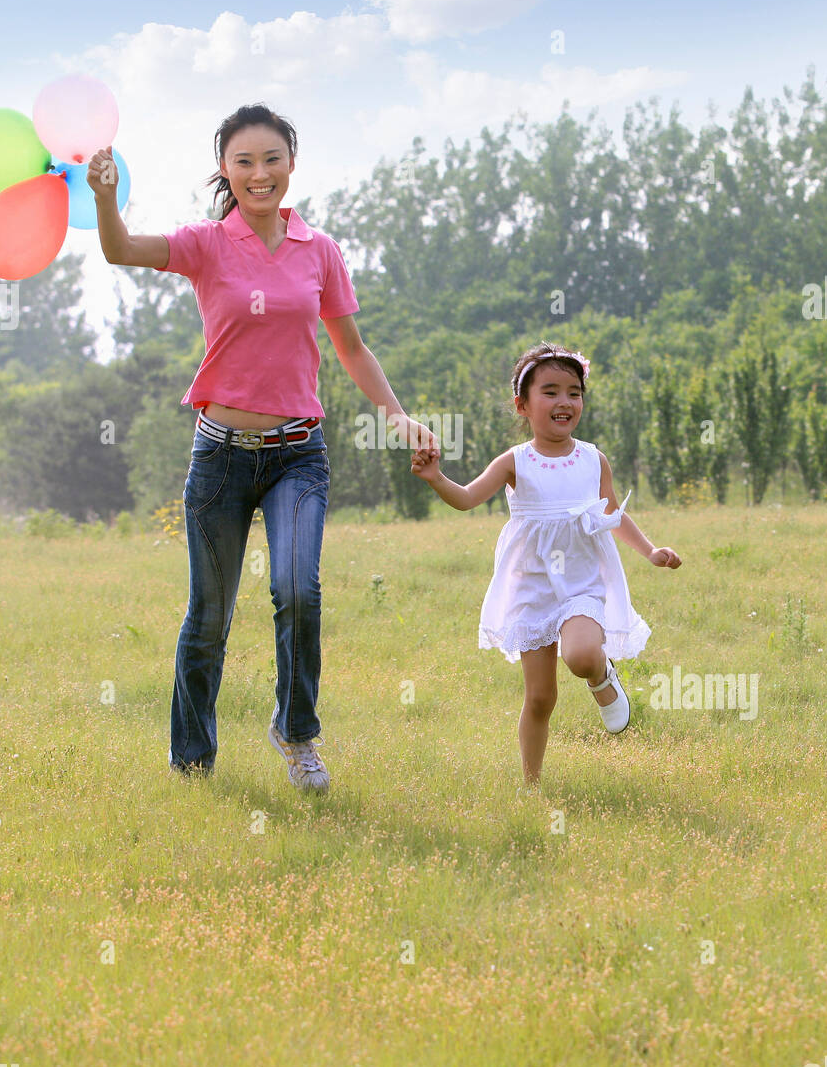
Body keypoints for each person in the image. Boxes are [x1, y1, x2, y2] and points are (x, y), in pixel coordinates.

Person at [87, 103, 438, 794]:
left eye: (271, 159)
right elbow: (120, 249)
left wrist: (396, 415)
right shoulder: (205, 244)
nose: (259, 173)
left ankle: (297, 732)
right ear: (225, 169)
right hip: (220, 456)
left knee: (296, 590)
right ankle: (192, 763)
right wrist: (104, 198)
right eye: (243, 161)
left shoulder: (321, 251)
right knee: (209, 616)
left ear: (292, 166)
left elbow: (352, 348)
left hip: (297, 455)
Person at [411, 341, 681, 784]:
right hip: (532, 588)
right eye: (550, 391)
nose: (564, 401)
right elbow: (465, 499)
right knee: (540, 697)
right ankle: (532, 785)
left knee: (579, 654)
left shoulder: (593, 459)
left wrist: (650, 551)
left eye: (574, 392)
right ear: (523, 404)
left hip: (580, 583)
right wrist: (436, 477)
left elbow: (611, 513)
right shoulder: (514, 462)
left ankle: (602, 678)